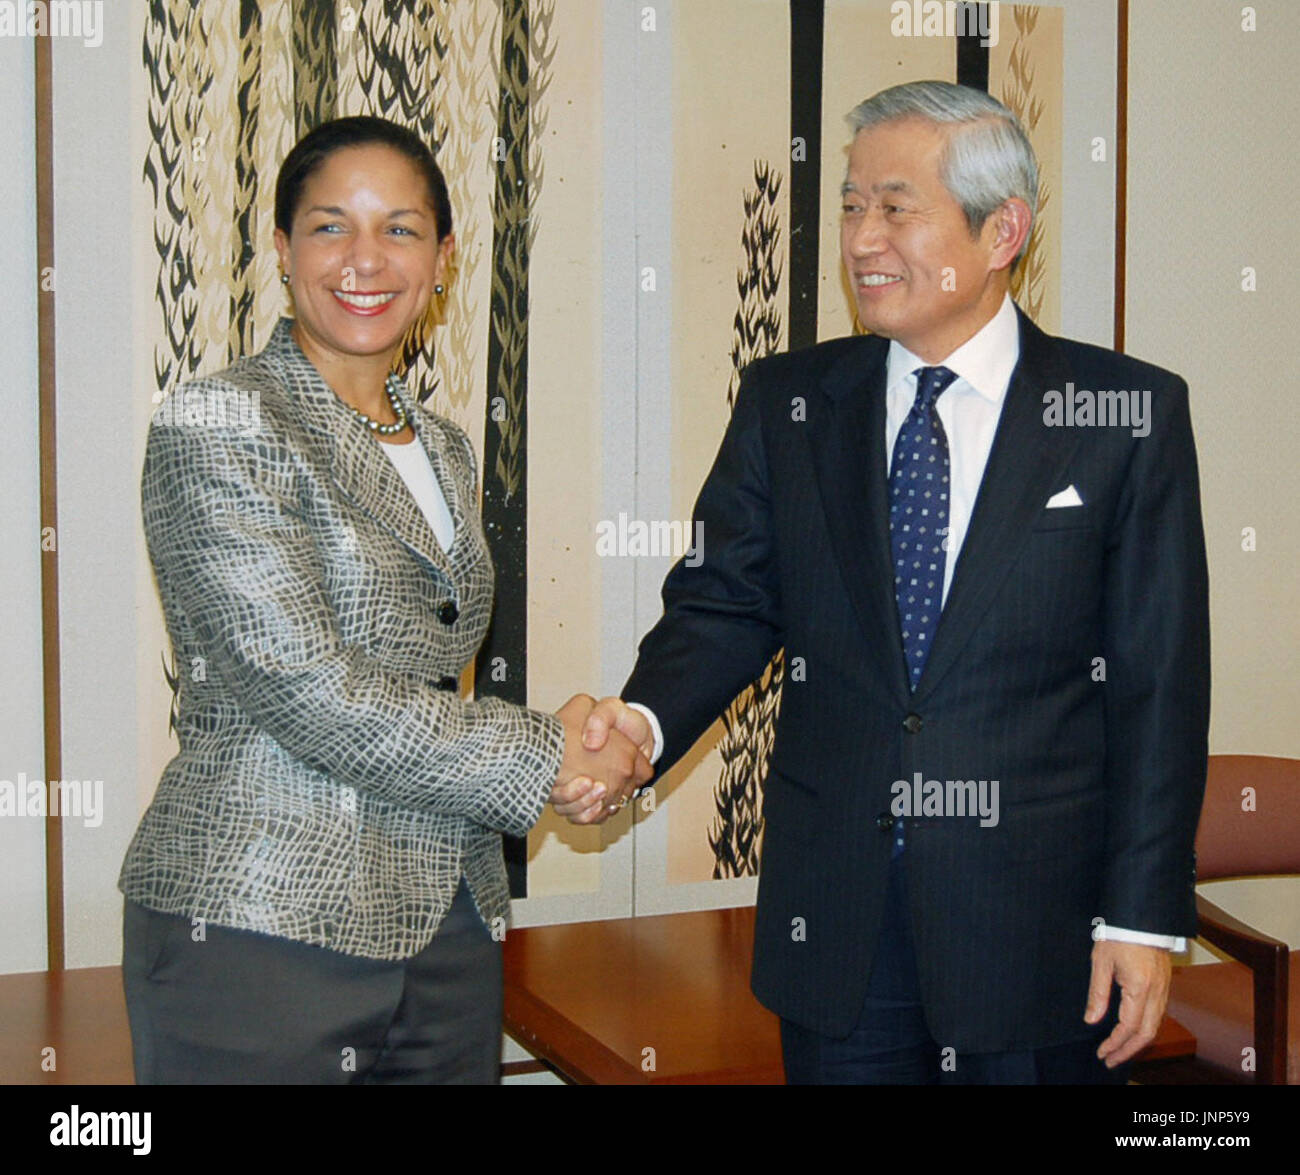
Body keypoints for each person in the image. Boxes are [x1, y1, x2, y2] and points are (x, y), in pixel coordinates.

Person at [559, 80, 1210, 1084]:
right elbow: (725, 600)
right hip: (838, 919)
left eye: (896, 207)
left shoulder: (1123, 413)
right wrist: (640, 725)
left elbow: (1159, 688)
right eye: (853, 205)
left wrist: (1143, 914)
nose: (862, 237)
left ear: (1002, 231)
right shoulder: (791, 400)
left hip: (1038, 927)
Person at [119, 115, 652, 1085]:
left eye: (401, 229)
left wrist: (565, 737)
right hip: (260, 917)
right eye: (330, 226)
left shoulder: (441, 445)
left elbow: (421, 668)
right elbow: (303, 683)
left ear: (443, 258)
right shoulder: (218, 421)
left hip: (445, 914)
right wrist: (546, 750)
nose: (365, 259)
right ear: (281, 249)